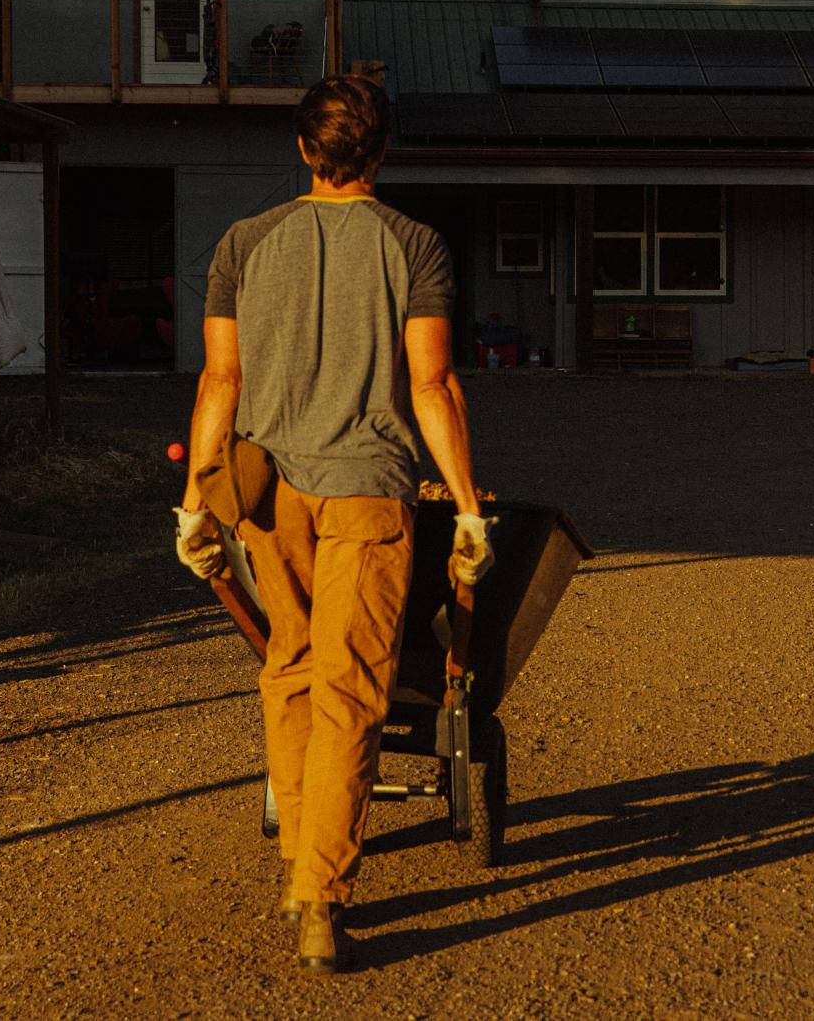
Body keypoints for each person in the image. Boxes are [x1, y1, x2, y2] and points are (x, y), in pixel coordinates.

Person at [172, 71, 494, 972]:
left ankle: (296, 868)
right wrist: (467, 505)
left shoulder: (244, 242)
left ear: (305, 151)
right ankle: (319, 896)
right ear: (382, 152)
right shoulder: (416, 244)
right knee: (352, 686)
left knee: (292, 668)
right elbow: (429, 384)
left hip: (269, 497)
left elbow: (220, 383)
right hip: (368, 489)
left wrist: (196, 501)